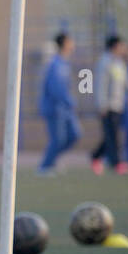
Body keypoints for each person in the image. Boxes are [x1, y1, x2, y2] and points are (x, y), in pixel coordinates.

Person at [90, 35, 128, 175]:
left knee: (110, 136)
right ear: (114, 46)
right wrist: (102, 104)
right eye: (121, 45)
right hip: (108, 106)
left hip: (118, 105)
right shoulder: (105, 62)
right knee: (113, 136)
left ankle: (96, 156)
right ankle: (117, 164)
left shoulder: (119, 63)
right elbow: (101, 85)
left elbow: (127, 82)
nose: (123, 48)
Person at [37, 32, 79, 175]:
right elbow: (56, 88)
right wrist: (69, 100)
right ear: (64, 44)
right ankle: (45, 167)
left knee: (75, 134)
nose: (73, 44)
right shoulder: (55, 64)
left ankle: (52, 160)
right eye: (70, 41)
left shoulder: (64, 62)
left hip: (65, 109)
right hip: (55, 108)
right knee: (58, 139)